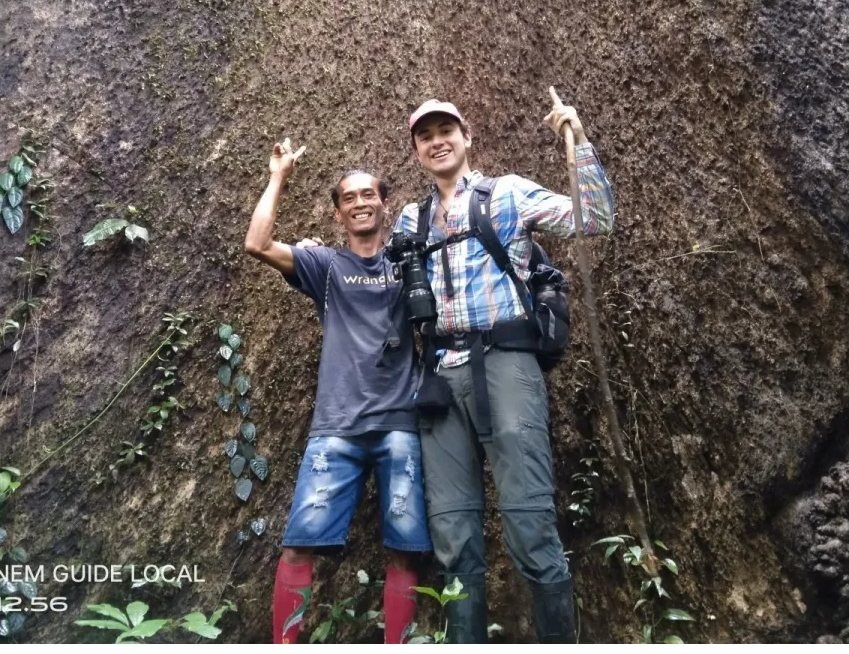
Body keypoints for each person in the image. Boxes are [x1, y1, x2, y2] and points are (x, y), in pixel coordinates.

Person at [390, 97, 615, 643]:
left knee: (530, 522)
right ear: (417, 150)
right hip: (440, 375)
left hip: (507, 366)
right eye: (426, 135)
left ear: (467, 136)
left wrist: (578, 142)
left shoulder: (508, 193)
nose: (437, 141)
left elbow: (596, 220)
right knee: (452, 532)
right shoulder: (410, 219)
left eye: (447, 130)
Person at [244, 138, 433, 644]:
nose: (360, 202)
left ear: (383, 203)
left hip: (399, 423)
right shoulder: (325, 266)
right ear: (337, 214)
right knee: (297, 546)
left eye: (368, 194)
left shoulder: (409, 263)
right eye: (348, 197)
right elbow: (257, 244)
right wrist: (278, 175)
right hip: (337, 427)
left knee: (404, 550)